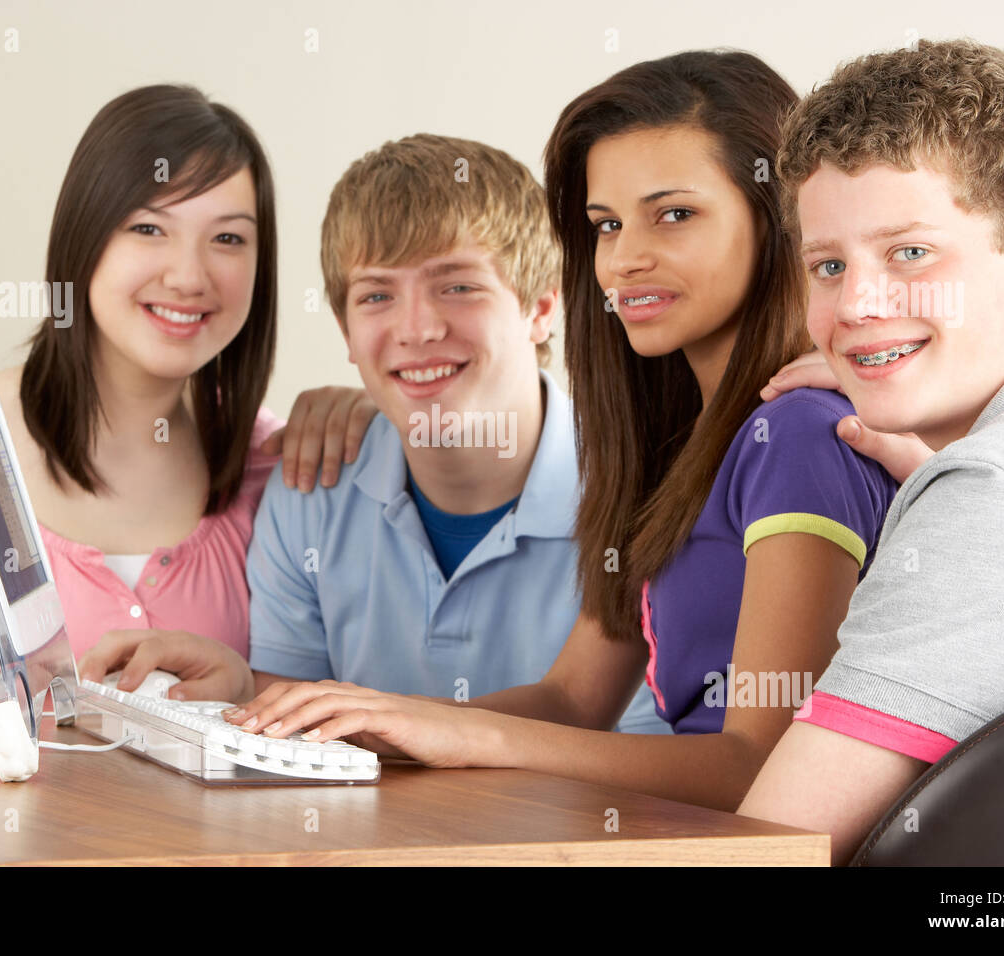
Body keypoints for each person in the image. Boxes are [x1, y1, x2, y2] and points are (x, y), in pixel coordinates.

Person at [96, 52, 905, 810]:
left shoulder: (798, 432)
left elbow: (762, 769)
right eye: (608, 225)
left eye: (674, 215)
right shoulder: (672, 449)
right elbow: (572, 699)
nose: (625, 259)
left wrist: (461, 735)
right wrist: (379, 723)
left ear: (777, 220)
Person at [82, 132, 667, 733]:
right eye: (378, 295)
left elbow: (651, 782)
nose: (416, 329)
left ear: (541, 310)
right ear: (345, 331)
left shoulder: (646, 494)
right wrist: (240, 692)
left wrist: (398, 724)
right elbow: (296, 742)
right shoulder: (309, 495)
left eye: (458, 286)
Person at [0, 85, 374, 696]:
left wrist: (382, 412)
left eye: (229, 238)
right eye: (148, 228)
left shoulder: (276, 465)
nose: (189, 275)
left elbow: (311, 730)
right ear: (84, 238)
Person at [737, 38, 1004, 863]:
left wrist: (966, 500)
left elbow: (768, 853)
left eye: (910, 253)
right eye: (828, 265)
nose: (856, 306)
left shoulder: (999, 497)